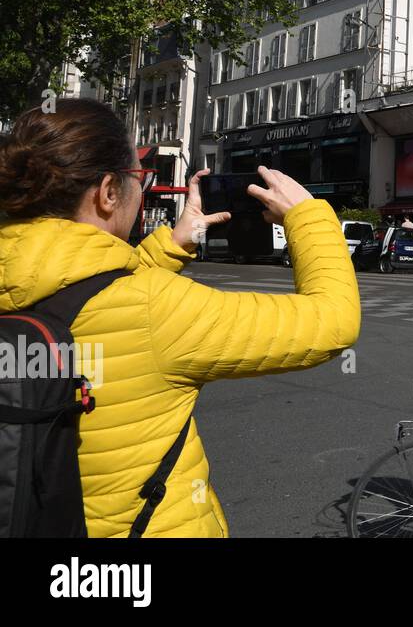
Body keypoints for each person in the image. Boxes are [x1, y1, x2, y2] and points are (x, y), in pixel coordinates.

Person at [0, 98, 361, 537]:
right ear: (109, 192)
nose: (142, 190)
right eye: (140, 178)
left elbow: (86, 292)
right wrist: (309, 217)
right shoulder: (156, 309)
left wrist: (173, 243)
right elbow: (332, 322)